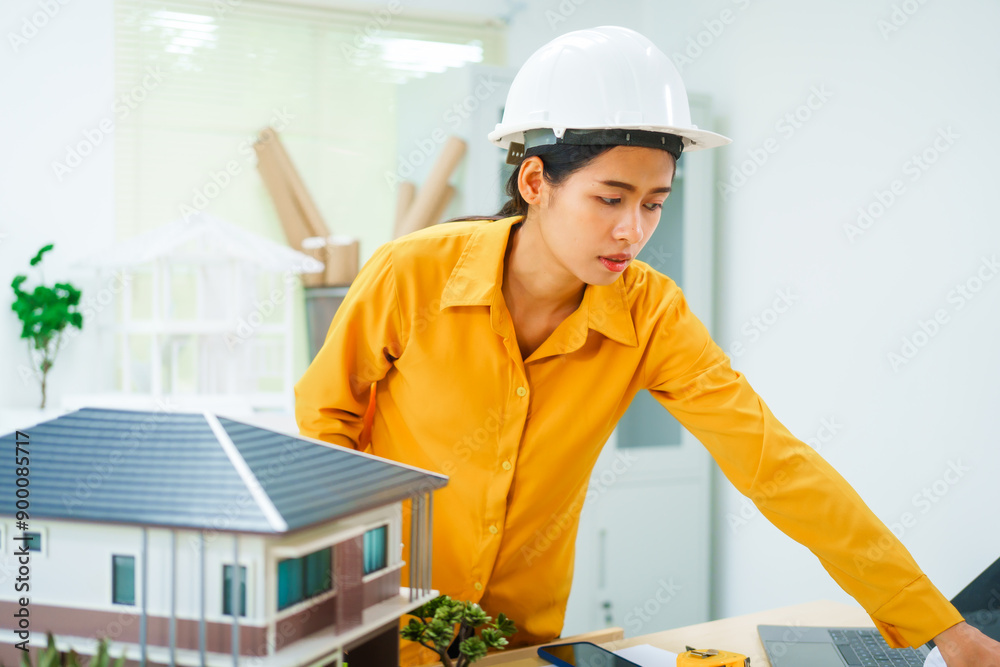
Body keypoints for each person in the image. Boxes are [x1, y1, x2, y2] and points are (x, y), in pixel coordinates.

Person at [294, 26, 1000, 667]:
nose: (633, 230)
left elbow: (776, 466)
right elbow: (324, 429)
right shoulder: (412, 273)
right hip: (377, 629)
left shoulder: (651, 313)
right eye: (610, 198)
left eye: (654, 202)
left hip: (517, 645)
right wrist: (362, 577)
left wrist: (940, 626)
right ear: (536, 181)